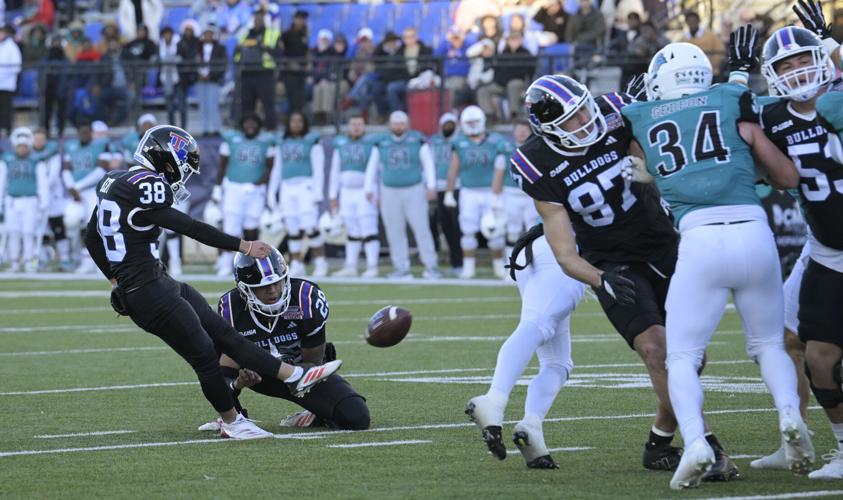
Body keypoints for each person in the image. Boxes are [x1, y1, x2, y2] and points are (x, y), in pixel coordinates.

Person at [509, 74, 736, 478]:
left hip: (664, 244)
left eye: (584, 110)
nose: (585, 122)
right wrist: (599, 279)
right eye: (573, 120)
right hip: (612, 262)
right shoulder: (536, 162)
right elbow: (564, 253)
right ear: (549, 130)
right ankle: (706, 445)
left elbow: (656, 148)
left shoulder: (614, 111)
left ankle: (659, 442)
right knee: (655, 349)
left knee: (692, 359)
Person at [620, 42, 810, 489]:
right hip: (754, 230)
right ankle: (789, 413)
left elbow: (640, 162)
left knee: (682, 356)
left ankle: (696, 443)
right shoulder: (730, 97)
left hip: (700, 238)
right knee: (768, 345)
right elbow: (778, 165)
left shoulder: (641, 115)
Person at [84, 124, 341, 439]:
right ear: (166, 157)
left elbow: (91, 235)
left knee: (225, 335)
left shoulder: (116, 180)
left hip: (155, 281)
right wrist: (243, 246)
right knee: (205, 353)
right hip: (147, 290)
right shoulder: (148, 185)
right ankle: (233, 422)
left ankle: (295, 376)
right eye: (182, 161)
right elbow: (188, 226)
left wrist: (115, 281)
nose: (183, 171)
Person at [732, 19, 841, 473]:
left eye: (804, 59)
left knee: (817, 350)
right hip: (824, 246)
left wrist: (834, 45)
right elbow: (724, 121)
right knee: (788, 340)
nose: (797, 71)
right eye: (786, 64)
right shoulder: (772, 116)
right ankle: (797, 441)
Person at [197, 248, 370, 431]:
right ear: (244, 289)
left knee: (356, 417)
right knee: (207, 349)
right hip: (260, 378)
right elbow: (223, 375)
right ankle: (232, 417)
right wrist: (237, 383)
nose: (273, 291)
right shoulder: (231, 308)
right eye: (263, 287)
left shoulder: (305, 297)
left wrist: (291, 371)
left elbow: (313, 362)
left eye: (277, 283)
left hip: (302, 374)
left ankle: (317, 414)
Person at [467, 224, 586, 468]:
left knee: (558, 362)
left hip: (537, 248)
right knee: (537, 324)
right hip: (568, 250)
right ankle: (494, 399)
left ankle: (531, 427)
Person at [364, 111, 440, 279]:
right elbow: (373, 166)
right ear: (390, 125)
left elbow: (428, 163)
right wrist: (369, 187)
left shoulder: (417, 140)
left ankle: (431, 265)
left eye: (401, 123)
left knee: (421, 228)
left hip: (414, 189)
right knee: (394, 230)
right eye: (395, 123)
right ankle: (401, 267)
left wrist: (431, 185)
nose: (398, 126)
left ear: (407, 124)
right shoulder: (381, 142)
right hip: (389, 190)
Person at [444, 106, 508, 279]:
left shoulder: (496, 141)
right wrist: (449, 191)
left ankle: (499, 267)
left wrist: (497, 193)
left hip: (490, 191)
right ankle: (468, 267)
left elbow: (500, 168)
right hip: (468, 192)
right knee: (468, 230)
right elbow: (453, 168)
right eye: (469, 122)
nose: (472, 125)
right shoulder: (459, 142)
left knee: (495, 231)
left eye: (475, 122)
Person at [213, 113, 275, 277]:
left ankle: (250, 265)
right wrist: (217, 188)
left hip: (255, 191)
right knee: (230, 227)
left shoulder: (266, 142)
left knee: (251, 228)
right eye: (247, 122)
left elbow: (271, 168)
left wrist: (261, 182)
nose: (250, 126)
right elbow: (222, 166)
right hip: (233, 187)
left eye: (254, 123)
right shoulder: (231, 140)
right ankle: (226, 264)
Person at [267, 112, 328, 277]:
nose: (296, 124)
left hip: (305, 185)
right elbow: (277, 169)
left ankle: (321, 262)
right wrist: (272, 192)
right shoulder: (282, 141)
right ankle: (296, 263)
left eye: (299, 121)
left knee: (310, 226)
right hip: (287, 187)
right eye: (293, 121)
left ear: (304, 123)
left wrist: (318, 191)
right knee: (292, 227)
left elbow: (319, 168)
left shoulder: (312, 140)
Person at [328, 114, 380, 278]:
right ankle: (351, 264)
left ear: (364, 126)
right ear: (348, 126)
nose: (356, 127)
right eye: (353, 124)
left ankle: (372, 265)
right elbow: (335, 170)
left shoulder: (371, 144)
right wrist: (332, 194)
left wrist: (370, 188)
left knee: (368, 227)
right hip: (346, 191)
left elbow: (373, 167)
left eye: (359, 124)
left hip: (364, 191)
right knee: (351, 229)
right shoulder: (341, 143)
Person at [62, 121, 111, 273]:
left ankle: (94, 260)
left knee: (93, 225)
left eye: (86, 132)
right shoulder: (71, 146)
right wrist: (71, 186)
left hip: (92, 190)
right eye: (81, 132)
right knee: (71, 222)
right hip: (76, 192)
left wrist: (77, 187)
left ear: (91, 133)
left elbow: (101, 170)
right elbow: (66, 170)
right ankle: (79, 257)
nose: (83, 135)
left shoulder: (101, 145)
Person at [0, 128, 48, 272]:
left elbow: (42, 183)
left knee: (28, 232)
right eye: (19, 146)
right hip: (12, 200)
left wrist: (44, 202)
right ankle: (14, 263)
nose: (22, 149)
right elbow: (2, 182)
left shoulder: (36, 161)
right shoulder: (6, 159)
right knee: (13, 231)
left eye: (24, 146)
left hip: (30, 200)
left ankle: (29, 262)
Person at [494, 120, 539, 261]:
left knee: (533, 230)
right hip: (511, 194)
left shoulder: (536, 148)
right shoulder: (506, 149)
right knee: (512, 230)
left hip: (531, 195)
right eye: (519, 129)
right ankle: (510, 264)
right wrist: (495, 197)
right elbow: (499, 171)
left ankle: (533, 262)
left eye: (525, 129)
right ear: (513, 132)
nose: (522, 132)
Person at [427, 112, 462, 276]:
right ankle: (456, 263)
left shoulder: (461, 141)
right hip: (440, 187)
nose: (448, 128)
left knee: (458, 226)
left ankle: (462, 262)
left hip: (458, 186)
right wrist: (430, 186)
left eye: (451, 124)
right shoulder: (435, 141)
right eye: (445, 124)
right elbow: (430, 163)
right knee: (446, 226)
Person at [235, 10, 281, 130]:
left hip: (265, 73)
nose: (257, 21)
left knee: (268, 104)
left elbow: (279, 54)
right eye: (256, 18)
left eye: (260, 18)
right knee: (247, 105)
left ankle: (271, 129)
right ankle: (247, 131)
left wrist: (266, 48)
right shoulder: (246, 34)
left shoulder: (273, 34)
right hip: (247, 73)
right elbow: (237, 55)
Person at [31, 127, 68, 269]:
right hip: (36, 196)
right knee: (41, 227)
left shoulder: (53, 154)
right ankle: (44, 257)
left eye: (41, 139)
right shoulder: (31, 154)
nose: (39, 142)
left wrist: (43, 189)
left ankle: (64, 258)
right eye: (36, 139)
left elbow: (53, 176)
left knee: (57, 224)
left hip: (53, 195)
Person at [195, 25, 226, 137]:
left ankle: (216, 128)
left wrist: (211, 75)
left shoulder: (220, 48)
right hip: (200, 80)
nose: (208, 36)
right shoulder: (198, 47)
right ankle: (205, 129)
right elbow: (194, 62)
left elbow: (223, 64)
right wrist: (198, 75)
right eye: (206, 33)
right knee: (203, 105)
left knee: (213, 105)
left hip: (213, 80)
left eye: (210, 33)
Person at [280, 10, 309, 115]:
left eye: (303, 19)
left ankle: (299, 120)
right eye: (299, 19)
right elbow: (281, 53)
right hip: (289, 72)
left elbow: (305, 52)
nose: (301, 22)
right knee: (292, 98)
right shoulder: (286, 35)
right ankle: (290, 121)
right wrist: (290, 64)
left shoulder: (304, 35)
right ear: (294, 20)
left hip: (301, 72)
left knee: (300, 99)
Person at [0, 24, 22, 136]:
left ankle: (6, 128)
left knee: (6, 106)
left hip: (7, 83)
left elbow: (16, 66)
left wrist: (4, 74)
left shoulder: (12, 46)